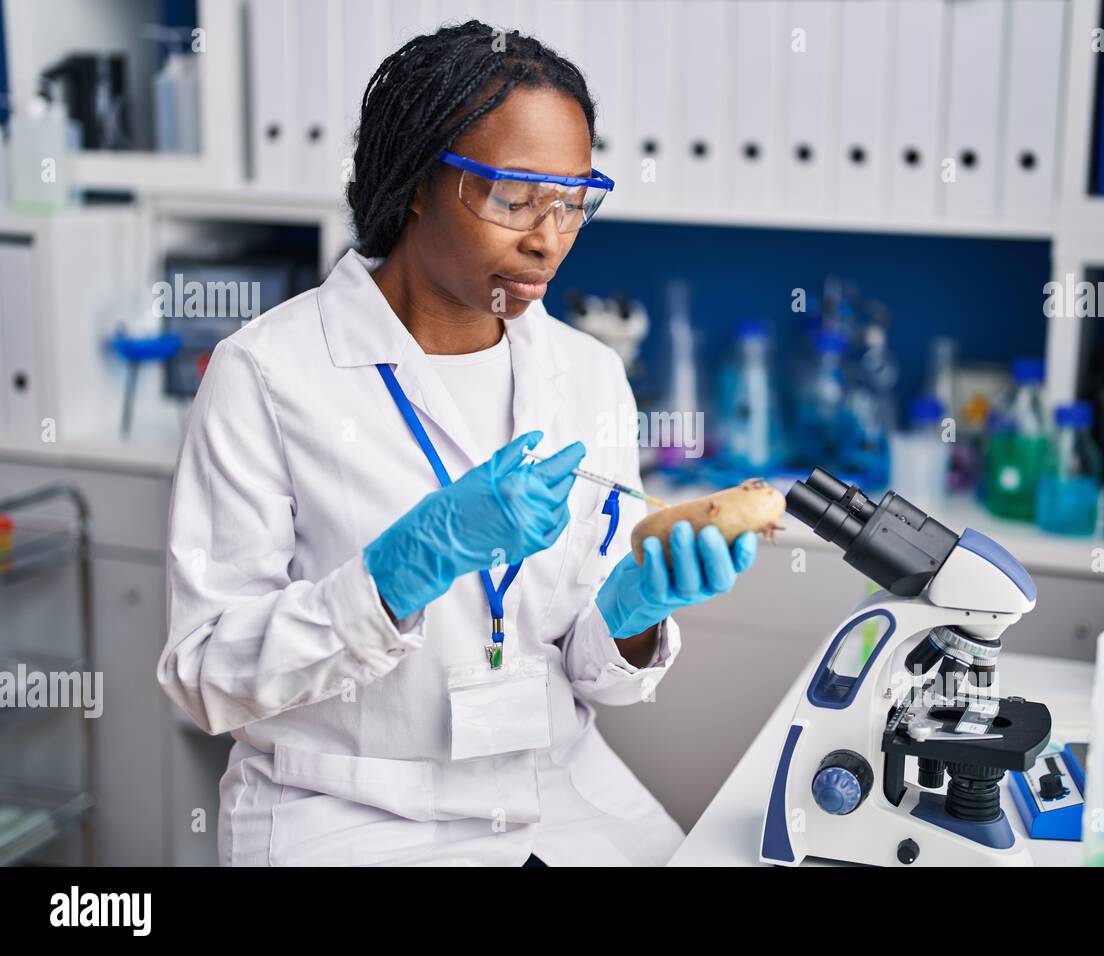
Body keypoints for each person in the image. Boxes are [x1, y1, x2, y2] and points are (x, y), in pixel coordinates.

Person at [157, 21, 757, 866]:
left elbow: (587, 666)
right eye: (514, 198)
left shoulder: (588, 376)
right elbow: (206, 675)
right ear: (413, 182)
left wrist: (631, 614)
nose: (548, 237)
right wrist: (398, 573)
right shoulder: (265, 373)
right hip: (347, 806)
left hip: (553, 786)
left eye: (573, 201)